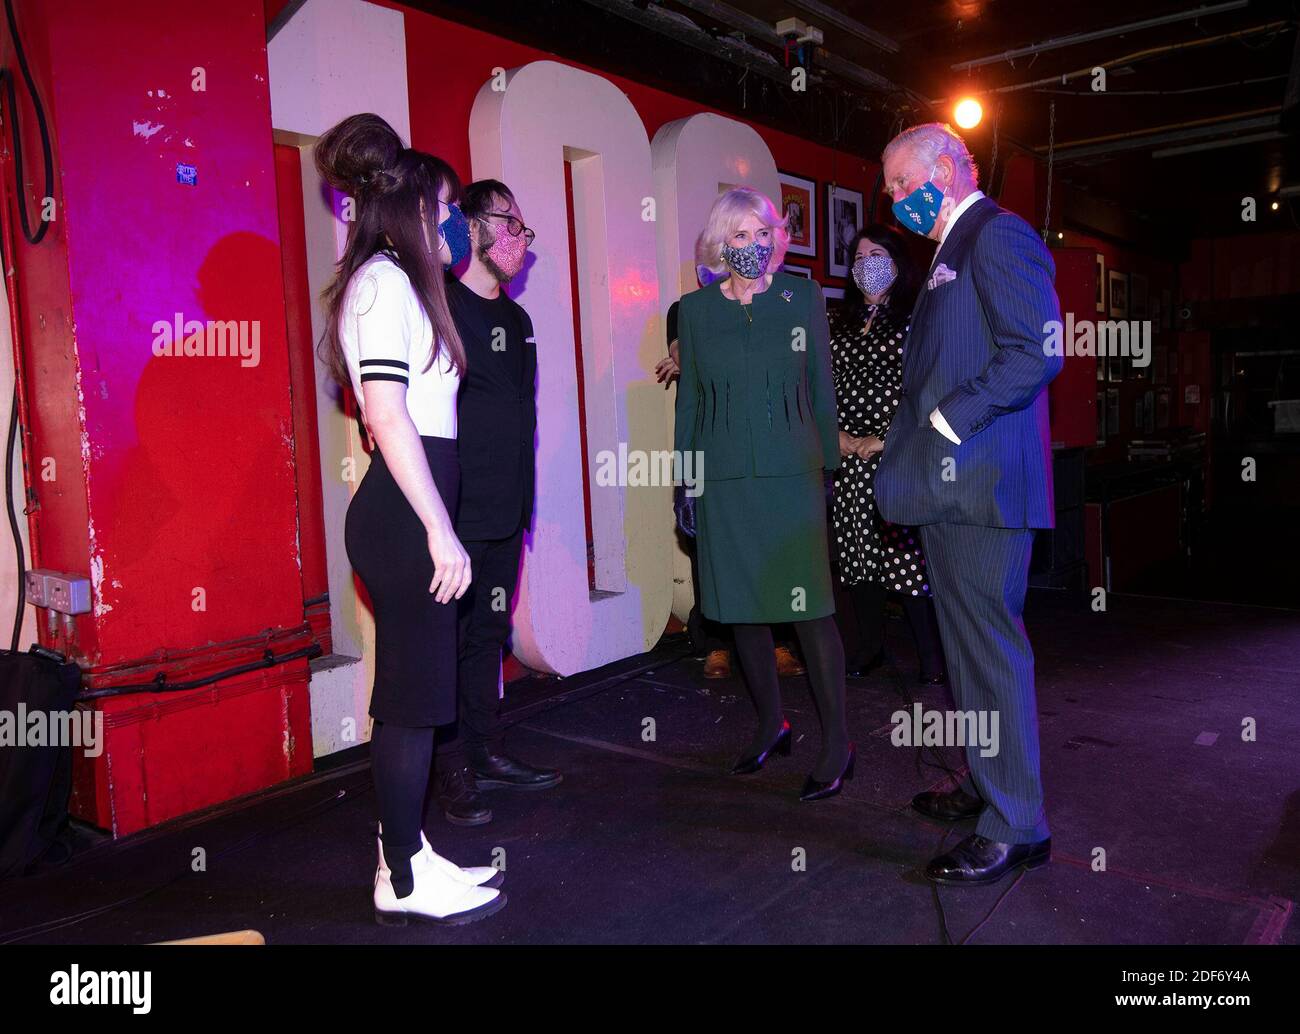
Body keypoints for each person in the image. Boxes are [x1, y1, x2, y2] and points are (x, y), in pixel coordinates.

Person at [316, 113, 505, 925]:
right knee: (409, 699)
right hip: (404, 512)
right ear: (416, 208)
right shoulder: (382, 282)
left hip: (415, 501)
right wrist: (439, 529)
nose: (457, 223)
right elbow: (388, 417)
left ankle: (412, 851)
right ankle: (398, 881)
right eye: (450, 207)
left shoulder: (401, 283)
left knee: (420, 696)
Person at [874, 122, 1062, 885]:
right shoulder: (951, 249)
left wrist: (952, 418)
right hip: (953, 491)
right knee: (967, 658)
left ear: (948, 169)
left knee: (990, 657)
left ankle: (1017, 823)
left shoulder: (997, 235)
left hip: (981, 488)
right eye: (888, 189)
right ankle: (991, 788)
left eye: (899, 183)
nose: (893, 201)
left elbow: (1040, 347)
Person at [674, 186, 854, 802]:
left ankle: (837, 743)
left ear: (777, 238)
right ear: (719, 245)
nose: (752, 245)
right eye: (738, 236)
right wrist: (686, 478)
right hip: (724, 477)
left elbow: (822, 389)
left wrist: (827, 468)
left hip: (791, 475)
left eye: (762, 233)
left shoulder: (800, 297)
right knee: (742, 607)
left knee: (811, 612)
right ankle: (771, 724)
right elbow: (691, 400)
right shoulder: (696, 312)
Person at [433, 178, 561, 826]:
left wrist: (525, 505)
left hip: (507, 512)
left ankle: (485, 754)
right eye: (509, 223)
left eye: (523, 227)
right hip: (455, 517)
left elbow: (520, 415)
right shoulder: (442, 309)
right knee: (448, 645)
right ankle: (451, 771)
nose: (520, 237)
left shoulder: (518, 319)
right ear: (472, 227)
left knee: (488, 635)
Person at [658, 300, 808, 681]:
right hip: (705, 446)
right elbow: (683, 352)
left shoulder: (766, 309)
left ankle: (777, 643)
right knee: (707, 549)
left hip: (758, 445)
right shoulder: (686, 310)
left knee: (767, 547)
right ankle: (717, 644)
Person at [829, 224, 946, 684]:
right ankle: (869, 647)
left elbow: (926, 389)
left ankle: (932, 658)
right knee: (857, 553)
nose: (866, 263)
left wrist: (885, 438)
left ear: (898, 262)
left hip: (896, 448)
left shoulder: (920, 318)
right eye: (858, 257)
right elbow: (821, 385)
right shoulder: (837, 320)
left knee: (905, 557)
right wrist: (835, 435)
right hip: (846, 451)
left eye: (876, 254)